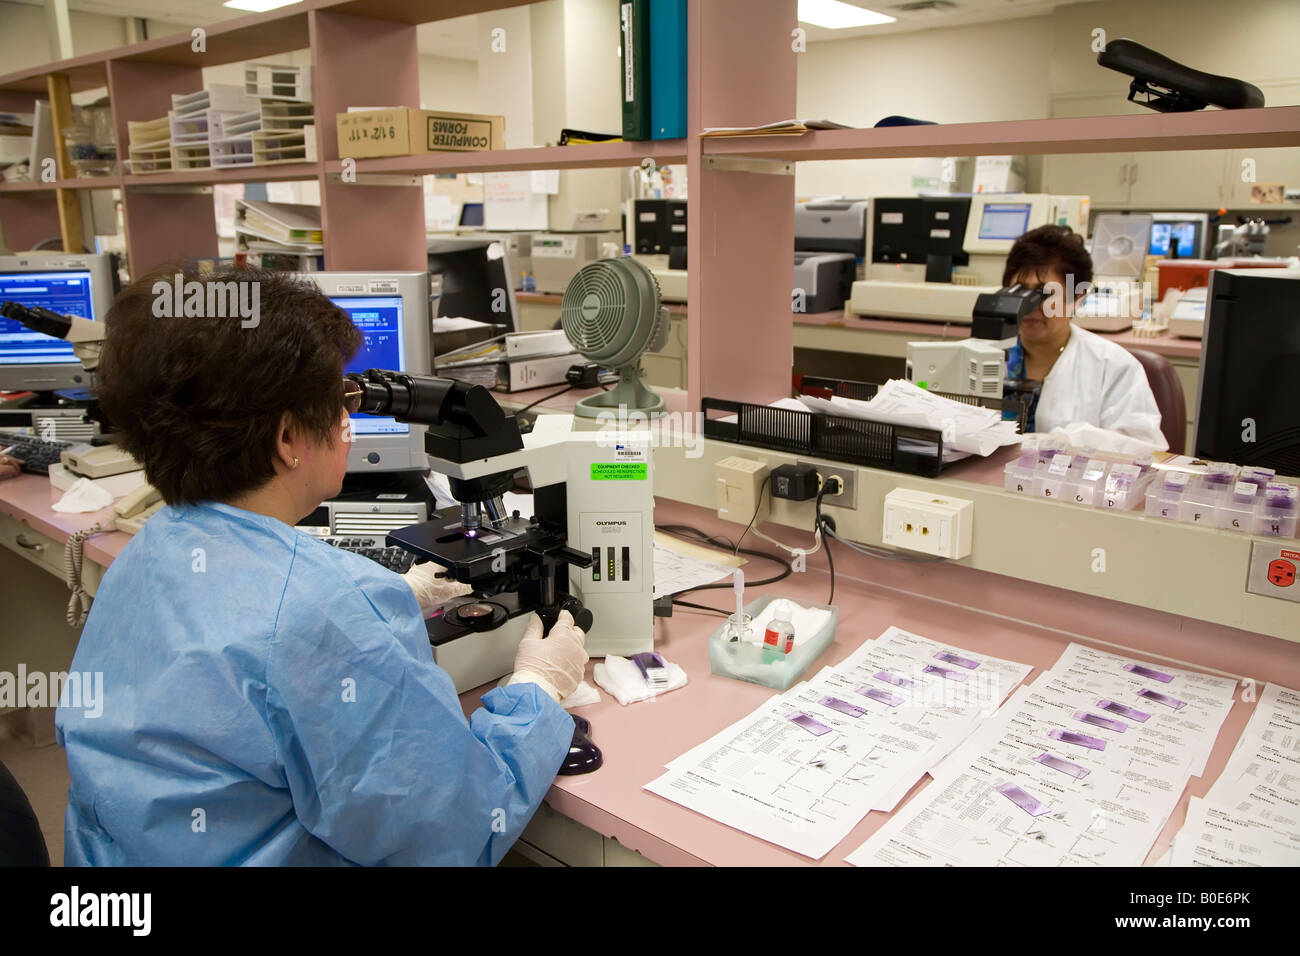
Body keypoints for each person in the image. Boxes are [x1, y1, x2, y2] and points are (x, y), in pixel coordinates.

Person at [55, 267, 588, 866]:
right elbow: (453, 833)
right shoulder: (322, 613)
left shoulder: (147, 552)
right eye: (339, 400)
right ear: (288, 438)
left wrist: (379, 605)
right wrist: (538, 694)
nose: (348, 418)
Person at [1002, 225, 1167, 450]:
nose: (1030, 305)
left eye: (1045, 294)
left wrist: (1066, 442)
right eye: (1020, 291)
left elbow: (1144, 448)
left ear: (1077, 296)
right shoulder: (987, 356)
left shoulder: (1114, 366)